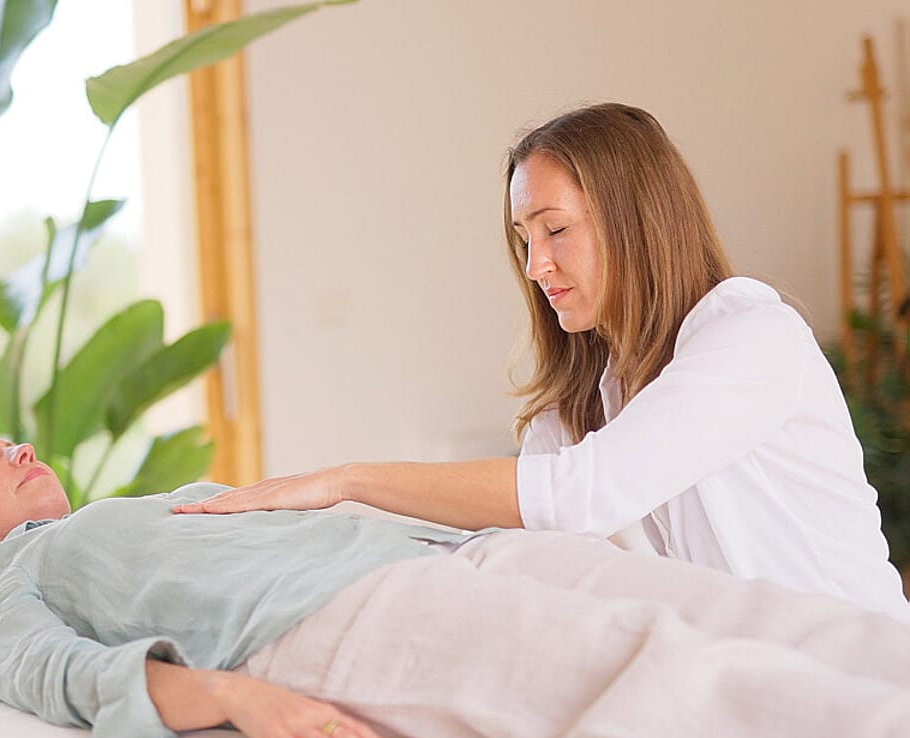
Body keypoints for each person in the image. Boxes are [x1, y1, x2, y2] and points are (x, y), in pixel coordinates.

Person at [0, 426, 910, 738]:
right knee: (648, 665)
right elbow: (60, 675)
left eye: (8, 441)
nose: (15, 451)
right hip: (339, 614)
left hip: (441, 547)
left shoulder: (116, 511)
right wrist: (229, 694)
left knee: (741, 610)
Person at [172, 102, 908, 619]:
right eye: (525, 238)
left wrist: (345, 481)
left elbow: (584, 492)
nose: (535, 264)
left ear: (636, 221)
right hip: (751, 679)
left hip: (863, 674)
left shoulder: (753, 335)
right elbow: (511, 549)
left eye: (555, 230)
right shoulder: (583, 399)